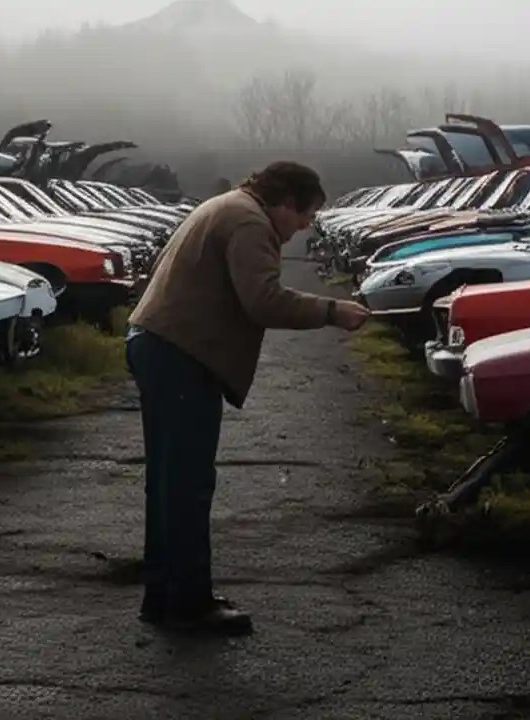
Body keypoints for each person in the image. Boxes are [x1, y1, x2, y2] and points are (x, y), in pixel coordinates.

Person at [125, 161, 371, 636]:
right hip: (180, 356)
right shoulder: (250, 222)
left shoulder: (227, 208)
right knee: (187, 485)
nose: (303, 228)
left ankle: (166, 595)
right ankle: (189, 606)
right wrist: (331, 310)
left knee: (168, 482)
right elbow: (262, 300)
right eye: (303, 216)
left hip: (159, 346)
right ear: (283, 201)